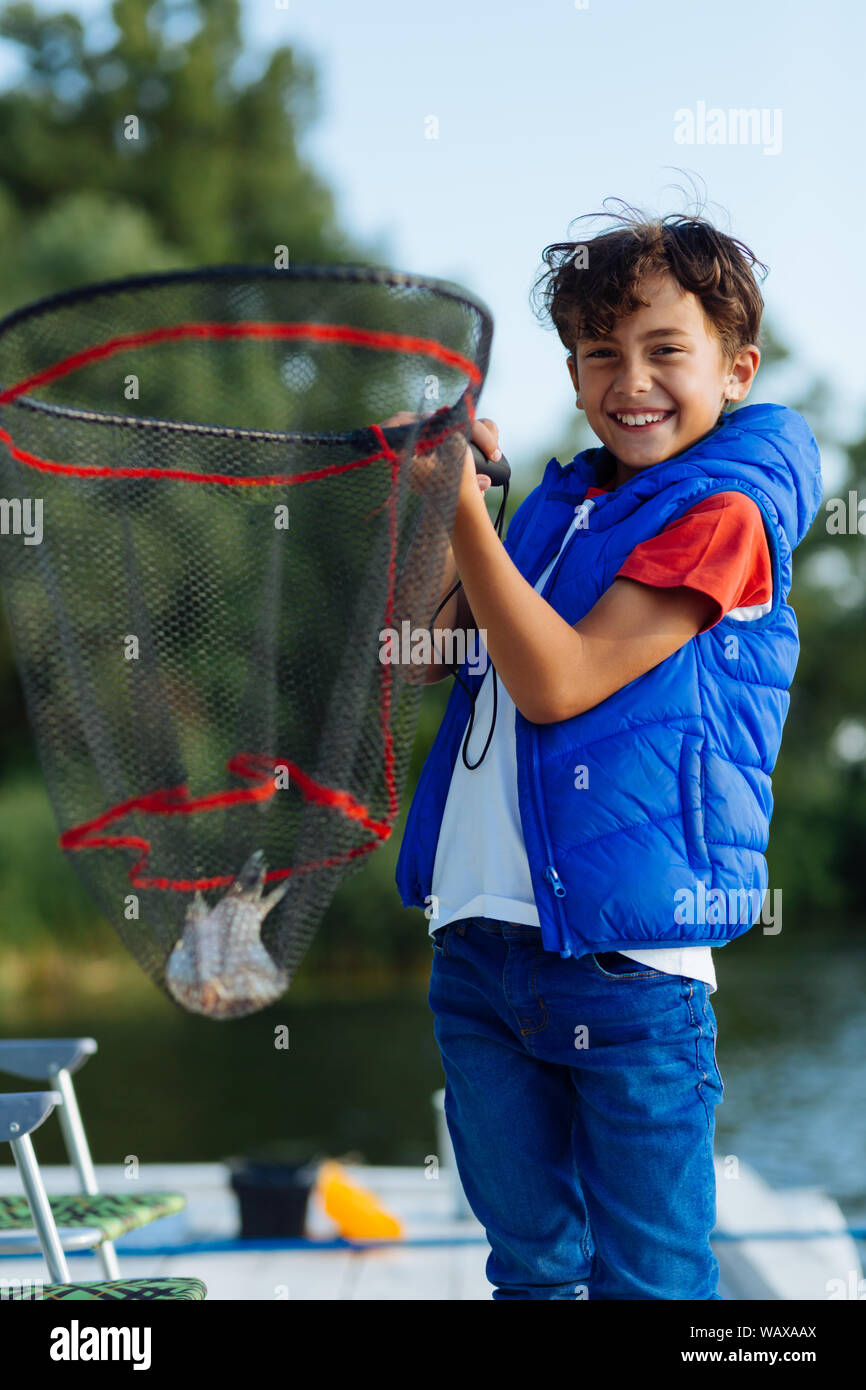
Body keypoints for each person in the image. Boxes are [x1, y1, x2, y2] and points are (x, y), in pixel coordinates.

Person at [393, 207, 823, 1299]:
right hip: (480, 949)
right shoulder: (562, 505)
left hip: (626, 972)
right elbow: (426, 655)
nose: (627, 379)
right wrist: (464, 506)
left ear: (735, 368)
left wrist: (465, 526)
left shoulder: (722, 514)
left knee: (652, 1282)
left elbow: (557, 681)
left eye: (662, 350)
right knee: (531, 1268)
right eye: (597, 354)